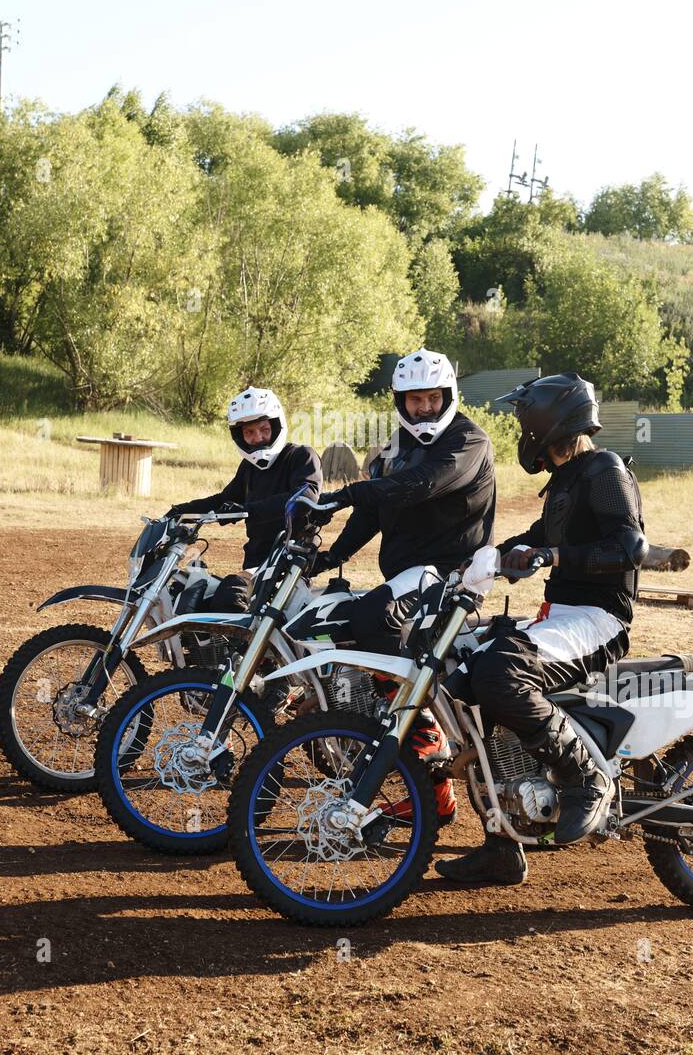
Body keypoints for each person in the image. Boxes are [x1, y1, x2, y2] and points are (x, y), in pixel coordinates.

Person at [436, 371, 648, 887]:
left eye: (522, 416)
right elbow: (534, 537)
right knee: (466, 676)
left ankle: (584, 777)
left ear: (548, 419)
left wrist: (554, 555)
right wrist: (478, 561)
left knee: (499, 674)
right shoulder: (566, 481)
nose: (518, 426)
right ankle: (503, 843)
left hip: (600, 620)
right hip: (563, 614)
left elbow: (630, 547)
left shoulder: (603, 469)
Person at [315, 348, 496, 826]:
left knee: (371, 618)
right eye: (414, 400)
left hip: (454, 575)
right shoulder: (395, 445)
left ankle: (425, 726)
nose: (424, 409)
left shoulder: (469, 440)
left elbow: (422, 485)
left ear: (449, 395)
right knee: (344, 622)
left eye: (433, 397)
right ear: (400, 400)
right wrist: (331, 556)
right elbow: (374, 511)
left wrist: (347, 491)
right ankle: (429, 771)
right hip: (411, 577)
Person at [166, 386, 322, 610]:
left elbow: (305, 498)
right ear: (240, 436)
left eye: (264, 429)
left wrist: (247, 510)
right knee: (190, 592)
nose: (258, 438)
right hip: (255, 564)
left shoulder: (300, 456)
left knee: (230, 596)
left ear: (277, 425)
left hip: (288, 563)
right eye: (249, 432)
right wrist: (179, 511)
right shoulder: (249, 468)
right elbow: (223, 499)